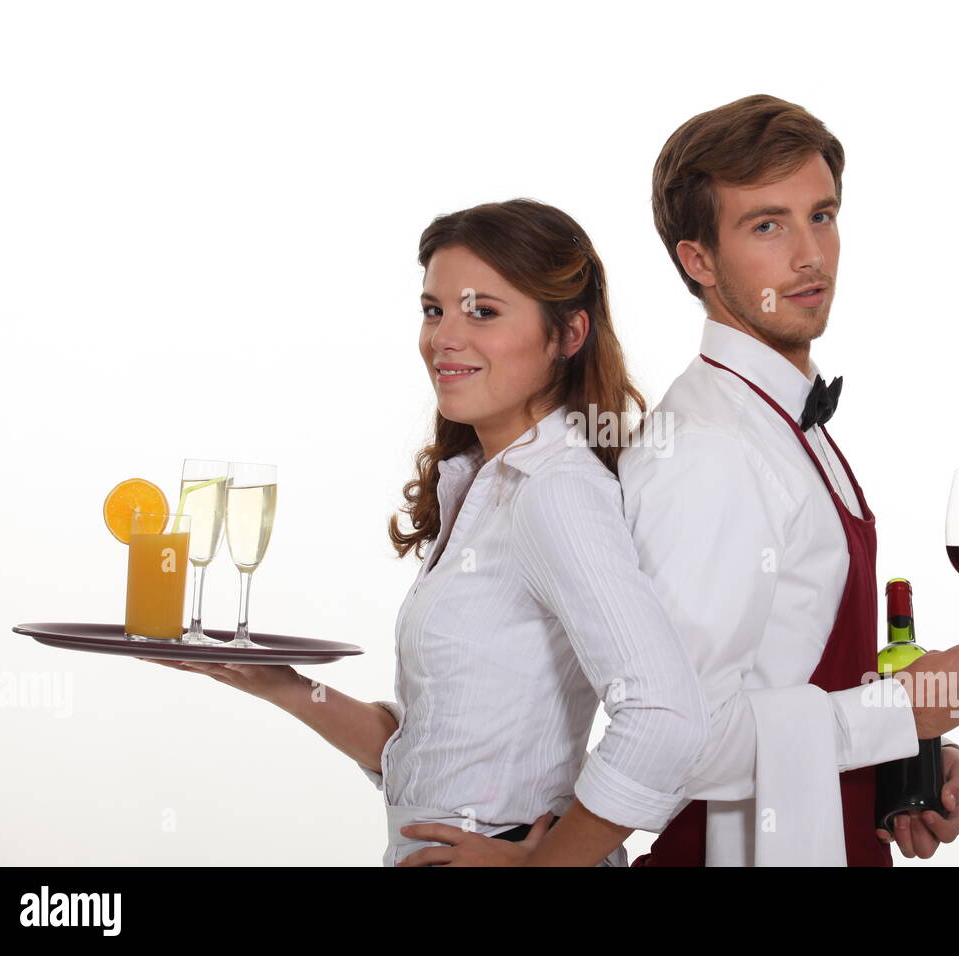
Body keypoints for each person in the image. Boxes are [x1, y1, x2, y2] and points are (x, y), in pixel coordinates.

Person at [143, 199, 710, 868]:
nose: (444, 337)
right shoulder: (484, 482)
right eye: (434, 309)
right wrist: (282, 684)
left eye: (483, 312)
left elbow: (666, 719)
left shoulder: (555, 491)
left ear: (568, 333)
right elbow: (431, 754)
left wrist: (543, 866)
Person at [617, 94, 959, 866]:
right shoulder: (705, 447)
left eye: (822, 216)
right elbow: (675, 742)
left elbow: (788, 680)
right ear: (698, 260)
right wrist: (902, 710)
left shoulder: (784, 413)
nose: (811, 256)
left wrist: (898, 765)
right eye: (768, 224)